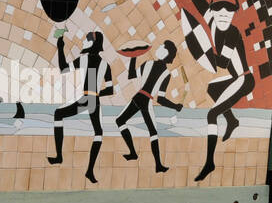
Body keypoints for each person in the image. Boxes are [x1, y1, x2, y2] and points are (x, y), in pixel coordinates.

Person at [175, 0, 255, 182]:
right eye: (218, 11)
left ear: (233, 13)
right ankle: (232, 121)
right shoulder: (213, 20)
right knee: (213, 88)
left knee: (211, 115)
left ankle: (209, 162)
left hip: (243, 79)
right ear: (213, 11)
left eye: (228, 12)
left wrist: (198, 50)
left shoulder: (232, 33)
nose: (223, 15)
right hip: (234, 78)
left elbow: (222, 63)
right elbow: (200, 3)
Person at [47, 29, 114, 183]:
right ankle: (89, 171)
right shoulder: (105, 65)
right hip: (94, 100)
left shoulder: (84, 60)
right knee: (98, 133)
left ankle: (59, 156)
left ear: (91, 42)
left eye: (86, 39)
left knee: (58, 114)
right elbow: (110, 89)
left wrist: (60, 47)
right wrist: (96, 94)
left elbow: (63, 67)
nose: (83, 42)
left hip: (86, 100)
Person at [116, 41, 183, 173]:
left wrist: (133, 57)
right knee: (153, 133)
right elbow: (161, 99)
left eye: (161, 46)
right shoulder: (166, 75)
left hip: (138, 97)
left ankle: (133, 153)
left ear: (166, 52)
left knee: (120, 121)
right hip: (146, 100)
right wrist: (175, 106)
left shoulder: (148, 64)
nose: (159, 47)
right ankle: (157, 165)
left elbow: (131, 75)